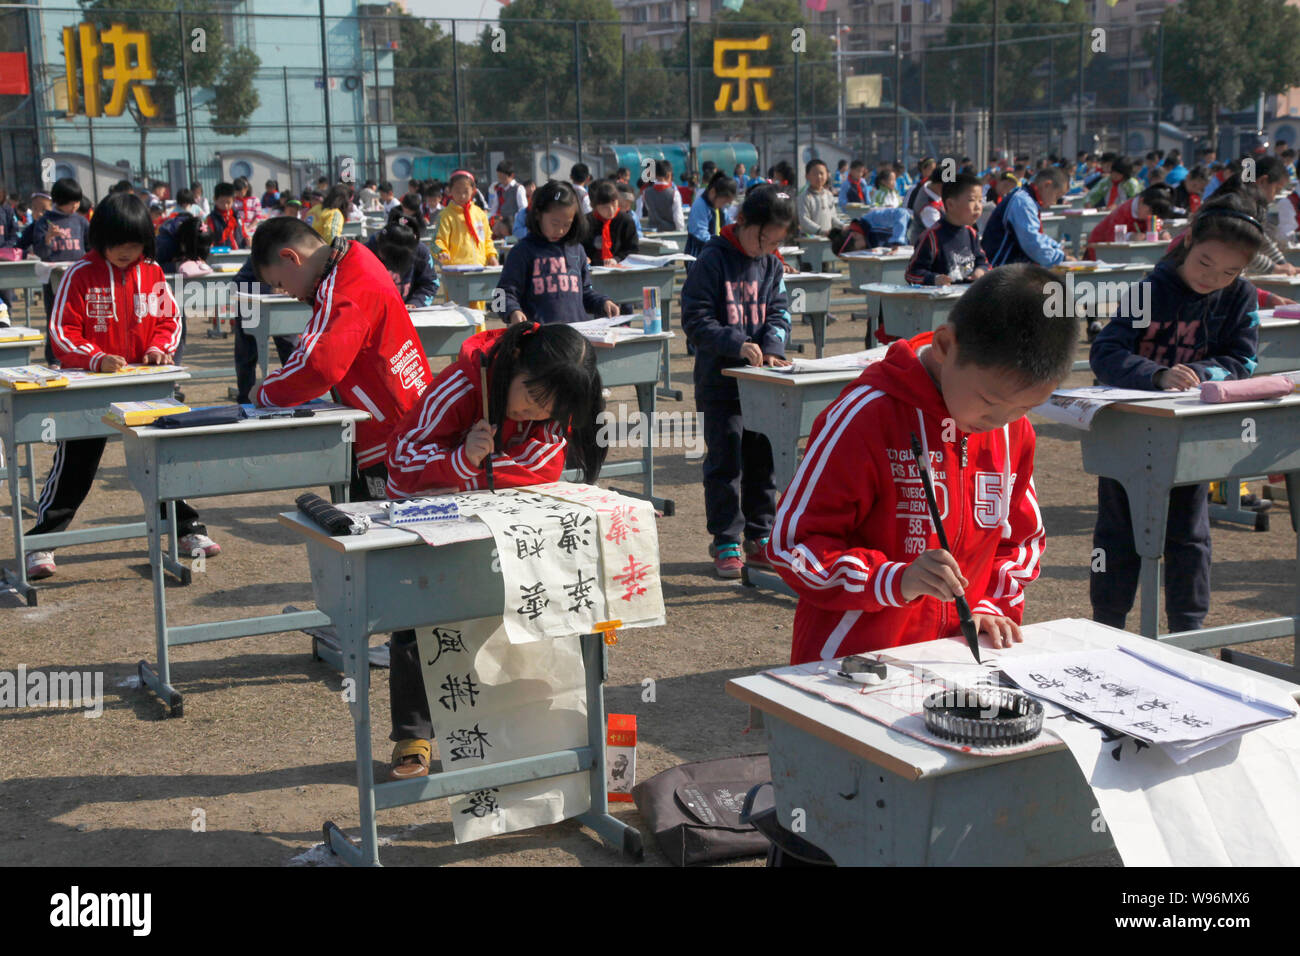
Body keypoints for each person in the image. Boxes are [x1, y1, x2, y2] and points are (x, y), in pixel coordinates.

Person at [770, 265, 1075, 663]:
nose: (1001, 420)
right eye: (989, 401)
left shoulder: (1012, 430)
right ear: (947, 346)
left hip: (954, 660)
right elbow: (792, 544)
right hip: (853, 663)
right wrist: (892, 579)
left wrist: (991, 603)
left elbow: (1019, 540)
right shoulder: (868, 416)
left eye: (1026, 407)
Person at [382, 321, 606, 778]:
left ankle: (511, 723)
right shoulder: (462, 384)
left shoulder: (549, 407)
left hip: (497, 519)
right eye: (531, 395)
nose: (535, 412)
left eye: (550, 407)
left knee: (505, 612)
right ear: (515, 364)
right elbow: (401, 462)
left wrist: (478, 472)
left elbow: (545, 466)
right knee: (417, 620)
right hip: (429, 519)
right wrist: (460, 459)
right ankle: (413, 733)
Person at [1089, 194, 1265, 635]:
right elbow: (1106, 350)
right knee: (1118, 532)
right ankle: (1107, 625)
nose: (1213, 279)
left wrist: (1203, 373)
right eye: (1205, 263)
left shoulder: (1239, 297)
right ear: (1188, 242)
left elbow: (1244, 361)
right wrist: (1156, 375)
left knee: (1189, 533)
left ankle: (1187, 631)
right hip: (1128, 428)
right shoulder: (1152, 289)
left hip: (1188, 433)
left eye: (1229, 272)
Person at [26, 192, 219, 581]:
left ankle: (186, 529)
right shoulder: (79, 275)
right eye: (116, 246)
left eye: (133, 246)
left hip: (146, 384)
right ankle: (41, 540)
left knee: (165, 456)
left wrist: (158, 349)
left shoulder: (152, 274)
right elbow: (61, 332)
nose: (125, 254)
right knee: (75, 465)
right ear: (100, 241)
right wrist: (96, 358)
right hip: (91, 388)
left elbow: (170, 322)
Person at [247, 215, 433, 497]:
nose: (289, 295)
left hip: (389, 435)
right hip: (409, 414)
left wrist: (266, 392)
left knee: (384, 530)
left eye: (282, 283)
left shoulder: (342, 288)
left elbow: (318, 366)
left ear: (291, 257)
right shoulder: (358, 257)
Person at [680, 185, 795, 578]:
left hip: (761, 383)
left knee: (763, 461)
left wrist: (773, 346)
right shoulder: (711, 260)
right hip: (720, 384)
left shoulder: (772, 264)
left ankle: (760, 536)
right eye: (764, 238)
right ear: (743, 221)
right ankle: (726, 538)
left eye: (777, 241)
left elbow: (779, 312)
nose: (767, 247)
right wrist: (737, 343)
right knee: (725, 462)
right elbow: (695, 320)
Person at [497, 180, 618, 325]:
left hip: (575, 335)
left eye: (567, 224)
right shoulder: (522, 251)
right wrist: (512, 311)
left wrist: (603, 302)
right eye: (554, 223)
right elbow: (500, 295)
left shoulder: (576, 249)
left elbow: (584, 292)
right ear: (538, 215)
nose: (560, 230)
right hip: (539, 337)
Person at [16, 177, 89, 363]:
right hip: (54, 277)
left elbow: (90, 247)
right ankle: (54, 359)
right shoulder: (45, 221)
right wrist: (47, 239)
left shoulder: (80, 222)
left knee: (81, 318)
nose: (75, 206)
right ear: (59, 202)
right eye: (72, 202)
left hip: (77, 275)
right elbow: (41, 252)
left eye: (77, 202)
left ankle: (80, 354)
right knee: (56, 318)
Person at [904, 172, 988, 286]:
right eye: (971, 200)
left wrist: (980, 270)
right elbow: (911, 273)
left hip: (968, 299)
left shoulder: (971, 233)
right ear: (950, 204)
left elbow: (983, 262)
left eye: (980, 200)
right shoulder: (932, 237)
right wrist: (934, 279)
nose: (978, 207)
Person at [981, 167, 1072, 267]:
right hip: (999, 270)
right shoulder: (1023, 202)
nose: (1054, 202)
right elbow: (1032, 243)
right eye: (1057, 196)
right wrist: (1061, 258)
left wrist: (1057, 249)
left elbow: (1039, 237)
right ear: (1047, 185)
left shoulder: (1029, 199)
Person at [434, 170, 498, 310]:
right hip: (455, 275)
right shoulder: (445, 216)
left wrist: (492, 256)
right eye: (457, 191)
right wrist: (441, 252)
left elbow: (487, 240)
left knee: (479, 313)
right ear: (450, 191)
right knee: (458, 313)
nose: (462, 196)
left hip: (478, 272)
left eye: (466, 191)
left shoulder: (479, 214)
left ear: (473, 191)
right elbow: (437, 240)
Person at [365, 210, 439, 309]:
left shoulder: (421, 252)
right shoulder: (365, 253)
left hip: (408, 312)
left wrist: (416, 303)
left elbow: (430, 284)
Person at [1084, 183, 1175, 258]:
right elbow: (1111, 238)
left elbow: (1156, 229)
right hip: (1099, 252)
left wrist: (1162, 233)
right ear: (1141, 201)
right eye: (1149, 212)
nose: (1150, 217)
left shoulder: (1151, 212)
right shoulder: (1122, 213)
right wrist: (1130, 237)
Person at [583, 179, 640, 265]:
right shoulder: (586, 222)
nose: (611, 210)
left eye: (614, 204)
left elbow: (632, 249)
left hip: (619, 267)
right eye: (605, 207)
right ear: (594, 207)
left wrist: (617, 259)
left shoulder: (625, 220)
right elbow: (578, 247)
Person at [685, 172, 738, 257]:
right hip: (699, 256)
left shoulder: (719, 208)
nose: (724, 205)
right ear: (713, 192)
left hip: (715, 253)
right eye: (724, 201)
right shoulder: (700, 205)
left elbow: (730, 225)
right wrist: (721, 244)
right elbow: (700, 234)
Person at [798, 159, 847, 238]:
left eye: (821, 173)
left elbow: (833, 218)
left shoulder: (829, 195)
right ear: (807, 176)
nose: (819, 177)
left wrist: (843, 227)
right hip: (810, 241)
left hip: (827, 238)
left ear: (827, 175)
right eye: (814, 174)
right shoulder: (804, 197)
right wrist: (820, 231)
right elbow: (804, 220)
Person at [640, 160, 685, 232]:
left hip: (652, 231)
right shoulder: (674, 193)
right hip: (670, 232)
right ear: (668, 174)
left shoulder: (646, 192)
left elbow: (648, 210)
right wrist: (680, 230)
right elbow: (678, 217)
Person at [488, 160, 527, 239]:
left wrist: (513, 220)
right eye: (499, 177)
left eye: (503, 177)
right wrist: (491, 220)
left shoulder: (518, 188)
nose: (501, 180)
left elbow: (523, 209)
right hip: (502, 224)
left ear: (512, 176)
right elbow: (494, 209)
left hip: (515, 223)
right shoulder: (498, 189)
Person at [206, 182, 248, 249]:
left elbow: (243, 233)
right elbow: (209, 238)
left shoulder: (237, 216)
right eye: (222, 202)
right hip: (221, 254)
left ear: (233, 200)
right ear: (215, 200)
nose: (225, 205)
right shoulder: (211, 218)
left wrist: (247, 239)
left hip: (239, 251)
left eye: (228, 202)